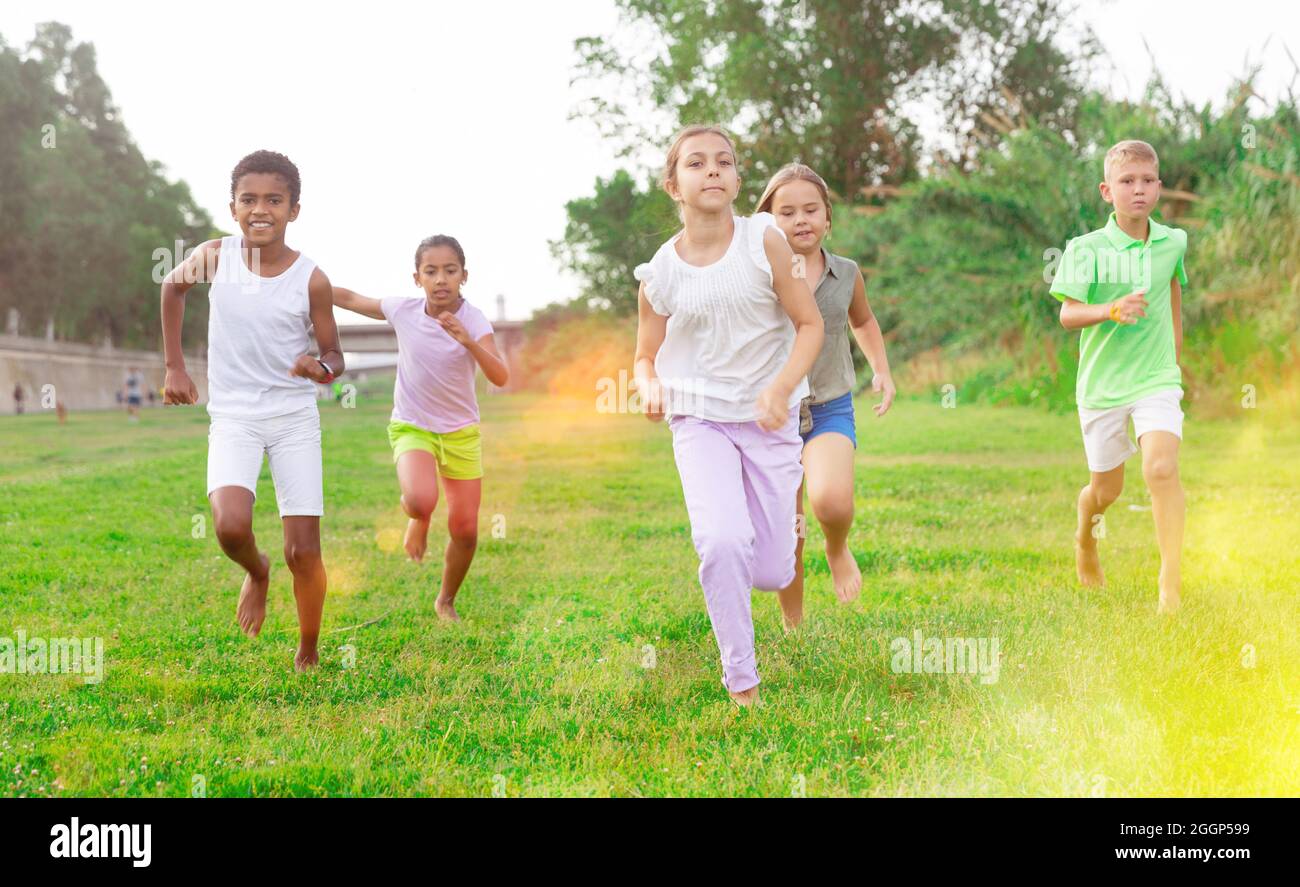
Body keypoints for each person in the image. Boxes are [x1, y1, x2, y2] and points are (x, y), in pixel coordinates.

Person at [633, 124, 824, 706]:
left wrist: (781, 388)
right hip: (699, 417)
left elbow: (809, 324)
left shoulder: (764, 239)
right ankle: (742, 679)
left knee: (771, 569)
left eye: (723, 162)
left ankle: (745, 578)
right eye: (696, 163)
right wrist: (647, 386)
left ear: (739, 179)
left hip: (770, 418)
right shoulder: (659, 272)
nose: (712, 170)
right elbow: (643, 354)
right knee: (720, 542)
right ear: (674, 185)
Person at [160, 149, 344, 669]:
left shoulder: (312, 279)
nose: (260, 209)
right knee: (230, 527)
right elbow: (172, 288)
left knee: (304, 552)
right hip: (234, 417)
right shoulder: (217, 256)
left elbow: (335, 355)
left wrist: (321, 368)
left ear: (294, 209)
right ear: (233, 206)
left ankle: (308, 650)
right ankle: (257, 571)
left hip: (293, 421)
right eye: (249, 199)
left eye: (274, 200)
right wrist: (175, 366)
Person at [333, 235, 508, 622]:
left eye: (450, 270)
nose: (441, 279)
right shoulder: (403, 310)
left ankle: (445, 600)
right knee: (420, 498)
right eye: (431, 271)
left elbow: (500, 375)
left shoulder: (474, 319)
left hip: (461, 433)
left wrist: (468, 341)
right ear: (417, 278)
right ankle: (418, 517)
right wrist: (301, 281)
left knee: (465, 530)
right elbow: (349, 298)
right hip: (413, 425)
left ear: (464, 275)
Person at [1049, 139, 1188, 614]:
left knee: (1161, 469)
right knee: (1107, 491)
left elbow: (1172, 293)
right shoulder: (1084, 249)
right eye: (1128, 182)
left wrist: (1175, 360)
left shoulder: (1174, 241)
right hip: (1103, 386)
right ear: (1107, 191)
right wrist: (1110, 310)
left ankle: (1169, 581)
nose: (1139, 190)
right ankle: (1086, 539)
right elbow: (1067, 315)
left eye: (1148, 181)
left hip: (1157, 378)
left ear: (1159, 187)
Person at [756, 163, 896, 629]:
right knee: (787, 530)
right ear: (766, 221)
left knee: (830, 500)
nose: (801, 220)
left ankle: (837, 546)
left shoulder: (847, 273)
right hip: (773, 413)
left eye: (811, 209)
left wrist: (881, 370)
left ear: (828, 217)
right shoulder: (756, 275)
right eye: (787, 211)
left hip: (829, 404)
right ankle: (793, 624)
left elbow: (864, 321)